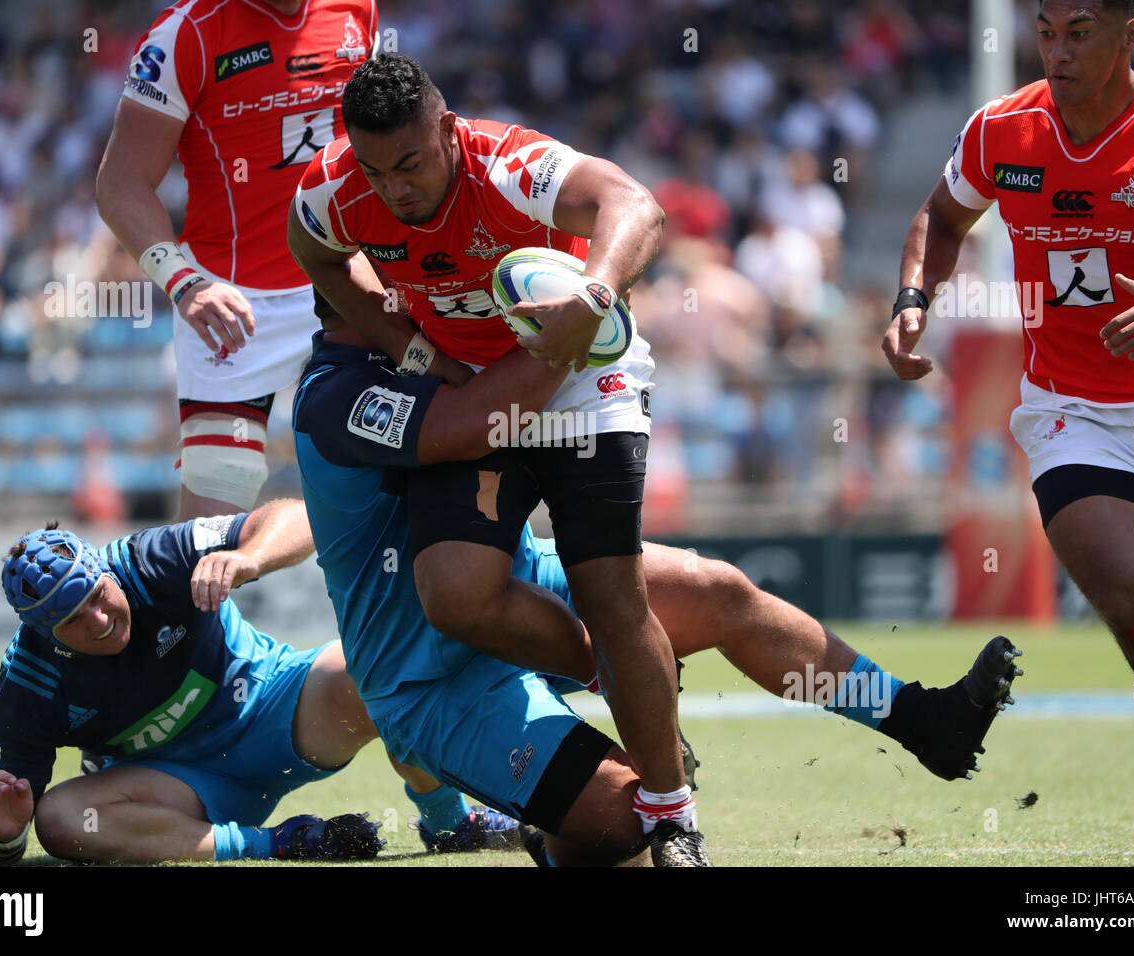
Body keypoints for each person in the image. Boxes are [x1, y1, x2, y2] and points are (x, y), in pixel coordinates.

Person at [291, 314, 1025, 866]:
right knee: (627, 830)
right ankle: (555, 837)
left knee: (721, 592)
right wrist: (579, 329)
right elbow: (471, 419)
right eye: (382, 275)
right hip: (433, 677)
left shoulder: (432, 328)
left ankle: (923, 721)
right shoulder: (336, 395)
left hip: (520, 580)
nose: (404, 278)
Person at [288, 52, 702, 863]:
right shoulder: (331, 192)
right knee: (453, 591)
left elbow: (636, 204)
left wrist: (595, 296)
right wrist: (408, 348)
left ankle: (673, 815)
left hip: (585, 377)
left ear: (447, 131)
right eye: (376, 172)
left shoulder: (510, 164)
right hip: (483, 393)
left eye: (409, 164)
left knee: (611, 592)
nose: (394, 190)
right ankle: (615, 677)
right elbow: (315, 258)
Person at [880, 0, 1134, 855]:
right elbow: (941, 220)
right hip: (1071, 410)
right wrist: (914, 300)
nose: (1056, 51)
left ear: (1130, 33)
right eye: (1046, 30)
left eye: (1079, 32)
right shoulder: (1000, 131)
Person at [0, 498, 507, 865]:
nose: (100, 620)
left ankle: (448, 823)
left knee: (380, 661)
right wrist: (3, 832)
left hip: (278, 707)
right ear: (45, 633)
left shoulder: (148, 560)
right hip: (181, 790)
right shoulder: (29, 681)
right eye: (73, 621)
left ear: (103, 571)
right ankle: (277, 843)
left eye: (96, 597)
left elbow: (295, 516)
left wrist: (249, 557)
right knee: (62, 819)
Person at [97, 0, 378, 519]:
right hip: (229, 301)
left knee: (386, 496)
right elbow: (120, 183)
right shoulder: (184, 35)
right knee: (206, 534)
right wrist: (183, 284)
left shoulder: (358, 8)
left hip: (347, 279)